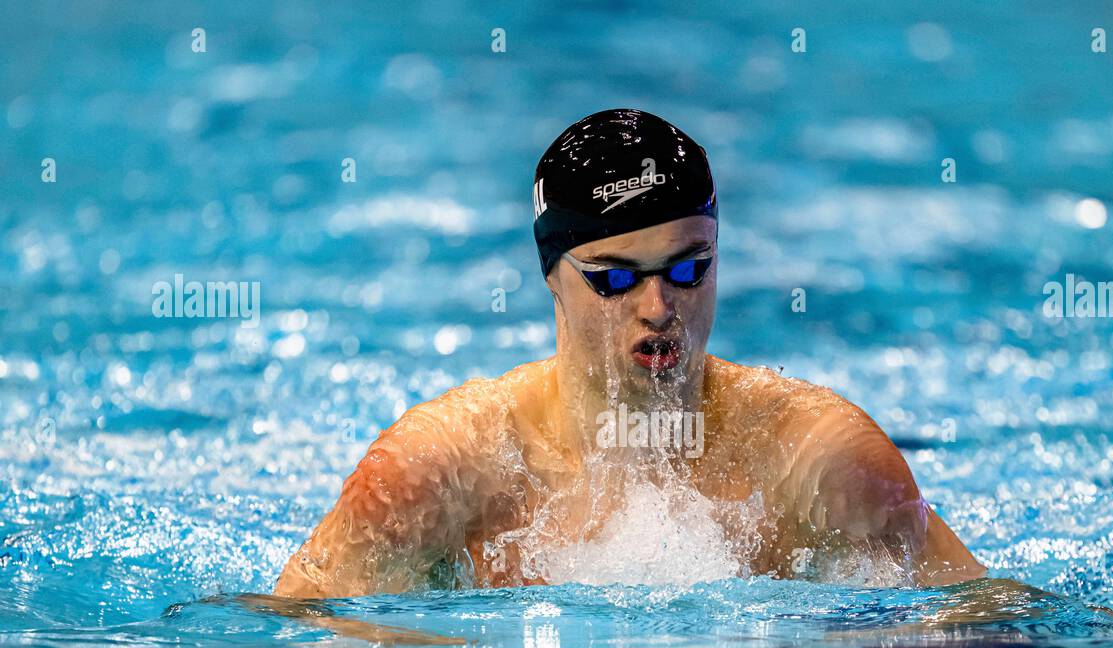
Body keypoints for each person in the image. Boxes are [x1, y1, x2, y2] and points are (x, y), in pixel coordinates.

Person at [274, 108, 985, 599]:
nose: (658, 308)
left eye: (688, 269)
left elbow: (989, 626)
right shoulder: (447, 469)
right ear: (551, 273)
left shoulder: (814, 459)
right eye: (615, 278)